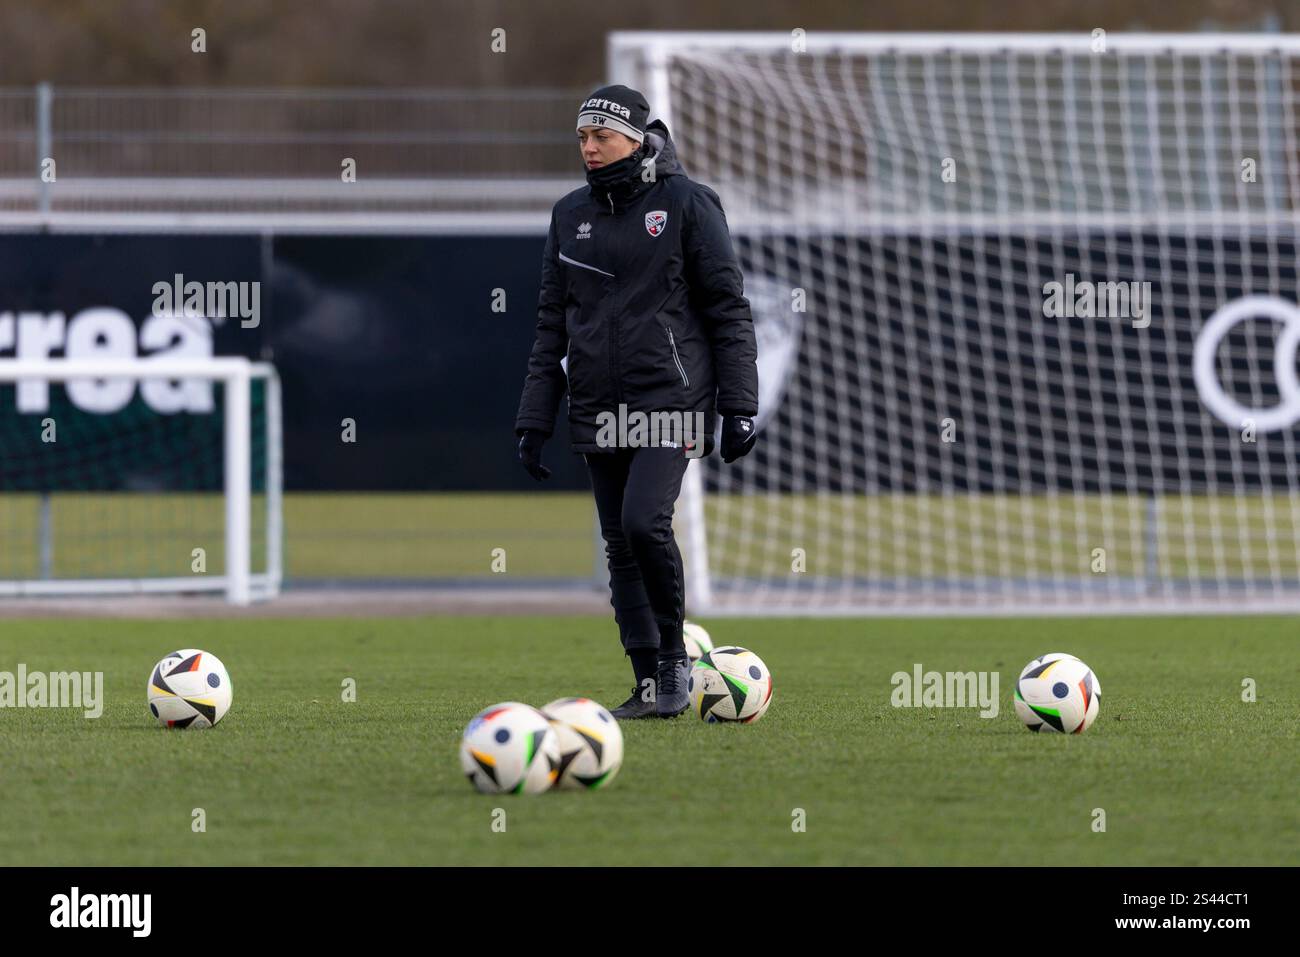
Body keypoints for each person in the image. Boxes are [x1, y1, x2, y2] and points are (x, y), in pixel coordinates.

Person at [514, 84, 758, 719]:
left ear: (636, 136)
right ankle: (649, 683)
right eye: (582, 138)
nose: (589, 149)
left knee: (642, 522)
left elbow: (727, 309)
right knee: (618, 546)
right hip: (597, 401)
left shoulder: (687, 204)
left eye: (601, 136)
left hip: (670, 396)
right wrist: (535, 417)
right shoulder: (569, 215)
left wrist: (739, 404)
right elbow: (550, 325)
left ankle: (675, 666)